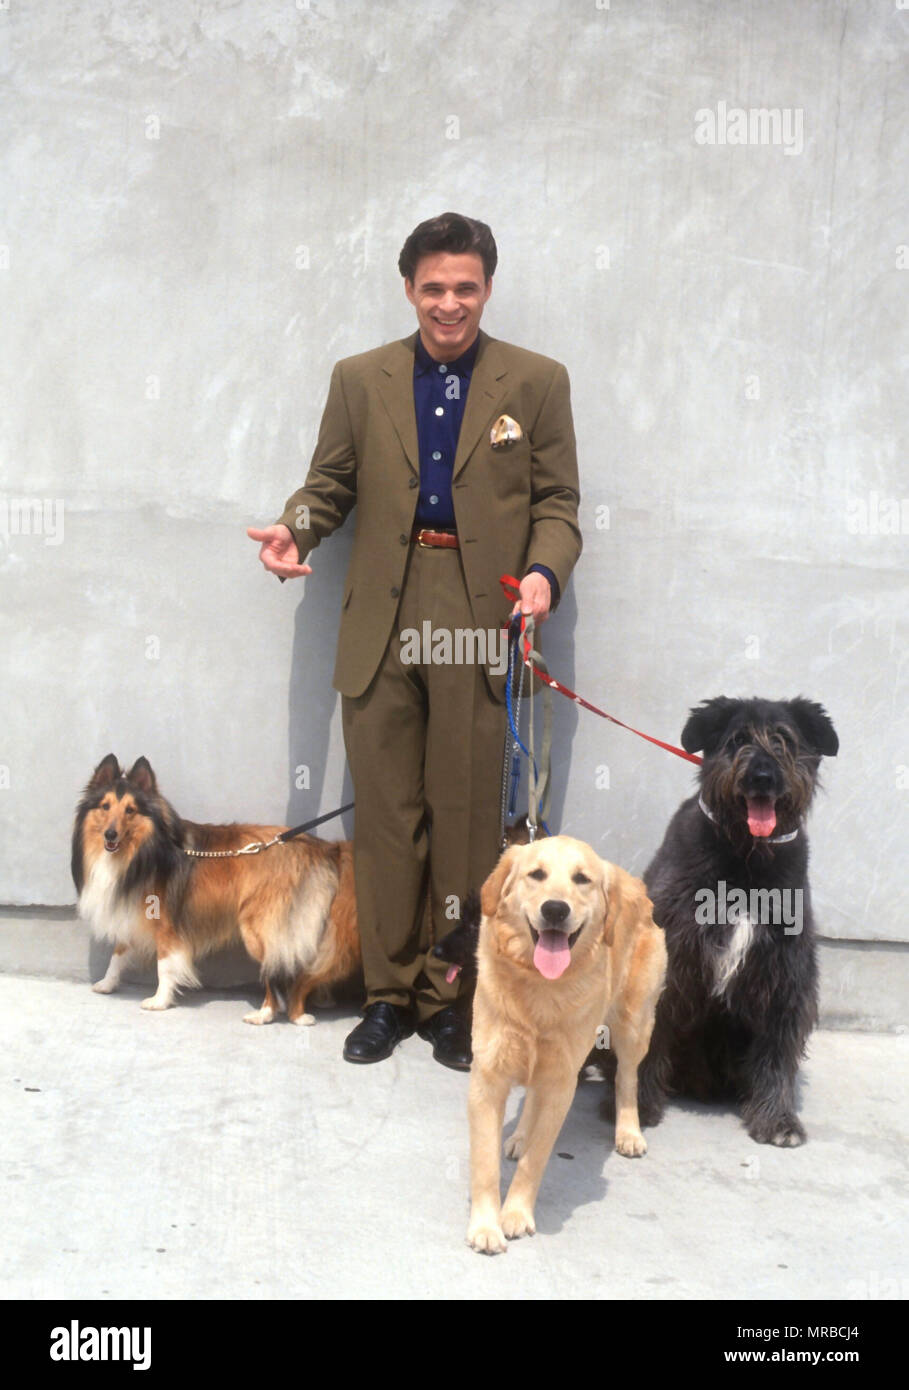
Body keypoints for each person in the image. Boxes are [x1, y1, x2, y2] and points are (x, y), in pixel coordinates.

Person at [248, 212, 581, 1069]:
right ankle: (388, 996)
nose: (448, 304)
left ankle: (451, 995)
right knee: (388, 815)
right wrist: (298, 529)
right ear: (408, 289)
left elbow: (557, 505)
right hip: (385, 614)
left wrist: (543, 573)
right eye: (432, 287)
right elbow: (331, 481)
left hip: (479, 614)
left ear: (487, 289)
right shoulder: (360, 378)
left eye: (464, 287)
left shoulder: (536, 382)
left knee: (467, 820)